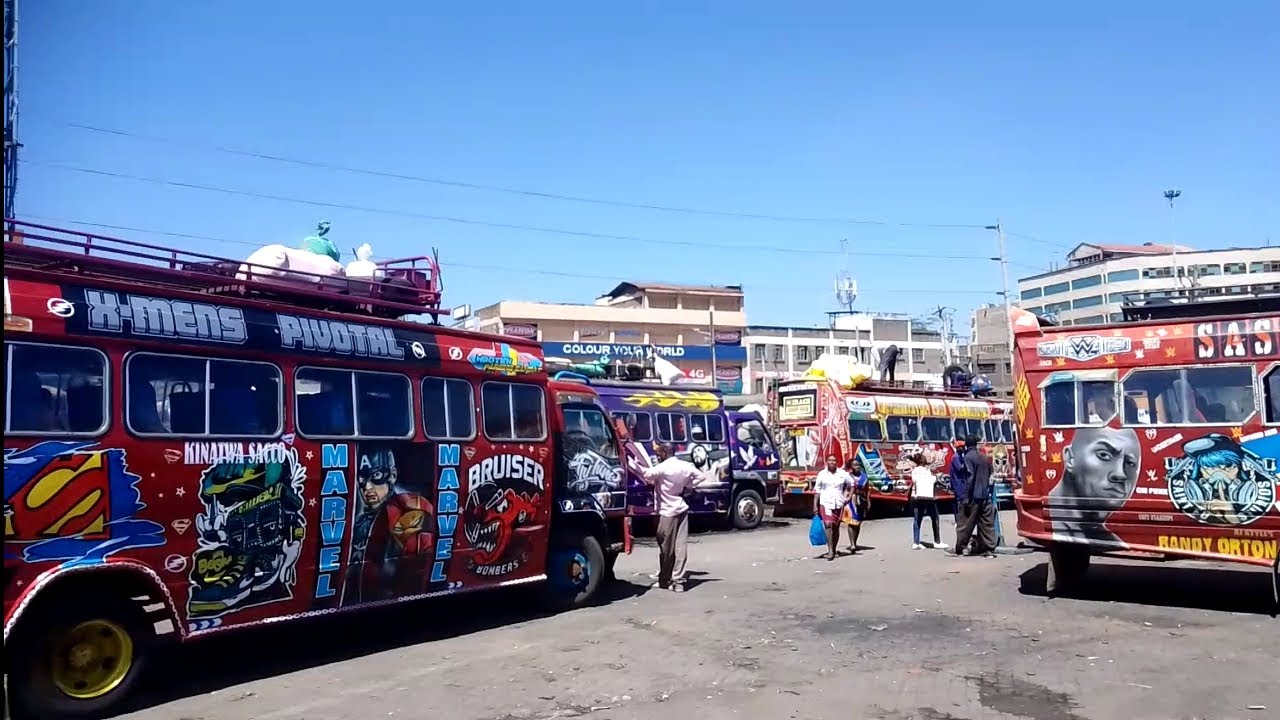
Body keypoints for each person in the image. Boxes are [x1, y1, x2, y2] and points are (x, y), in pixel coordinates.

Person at [1046, 426, 1141, 546]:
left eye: (1130, 463)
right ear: (1070, 458)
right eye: (1104, 455)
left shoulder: (1114, 542)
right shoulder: (1046, 525)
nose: (1120, 474)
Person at [637, 442, 708, 591]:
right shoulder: (685, 466)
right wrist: (688, 486)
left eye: (659, 453)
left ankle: (665, 580)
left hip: (667, 512)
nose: (657, 456)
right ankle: (679, 582)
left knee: (666, 548)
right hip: (681, 509)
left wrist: (632, 463)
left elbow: (646, 474)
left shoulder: (663, 467)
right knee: (680, 547)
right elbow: (701, 476)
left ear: (664, 453)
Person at [954, 435, 998, 556]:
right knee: (986, 524)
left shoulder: (968, 457)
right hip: (985, 495)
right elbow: (990, 472)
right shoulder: (984, 457)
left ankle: (961, 548)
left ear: (966, 445)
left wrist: (966, 497)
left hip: (973, 496)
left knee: (965, 523)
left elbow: (970, 476)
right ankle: (988, 549)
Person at [812, 454, 854, 561]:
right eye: (830, 460)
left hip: (839, 503)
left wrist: (849, 496)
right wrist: (815, 505)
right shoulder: (822, 474)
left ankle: (834, 549)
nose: (832, 462)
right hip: (825, 503)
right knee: (828, 525)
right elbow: (817, 490)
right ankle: (830, 551)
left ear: (837, 462)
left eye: (834, 460)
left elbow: (852, 484)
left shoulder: (842, 474)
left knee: (835, 527)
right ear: (826, 462)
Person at [908, 454, 946, 550]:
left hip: (916, 497)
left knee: (917, 519)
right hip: (928, 497)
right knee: (935, 518)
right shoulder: (927, 470)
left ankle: (916, 542)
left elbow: (914, 481)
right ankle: (937, 541)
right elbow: (932, 480)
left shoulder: (914, 470)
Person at [842, 459, 870, 554]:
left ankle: (855, 541)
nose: (857, 466)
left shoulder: (864, 476)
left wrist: (868, 501)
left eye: (858, 465)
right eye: (855, 465)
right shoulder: (847, 476)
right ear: (851, 467)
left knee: (858, 522)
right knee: (851, 522)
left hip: (861, 500)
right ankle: (852, 544)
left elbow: (867, 490)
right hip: (850, 501)